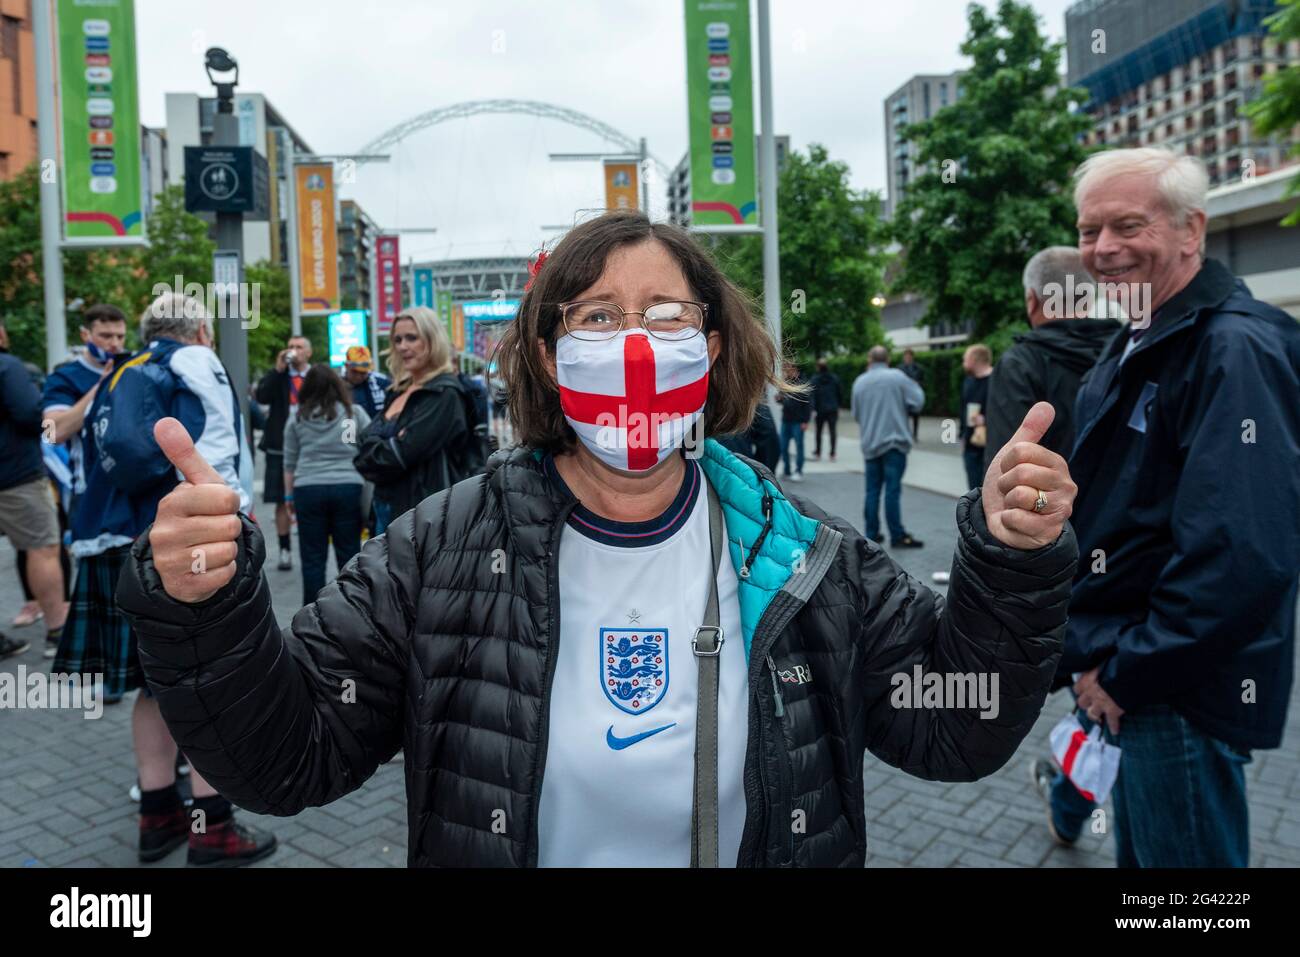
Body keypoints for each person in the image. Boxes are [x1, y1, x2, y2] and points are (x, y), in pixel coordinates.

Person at [117, 210, 1079, 868]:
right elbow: (293, 755)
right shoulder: (441, 548)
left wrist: (1012, 558)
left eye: (665, 317)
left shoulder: (803, 548)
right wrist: (207, 608)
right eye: (596, 318)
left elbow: (956, 727)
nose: (632, 343)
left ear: (710, 346)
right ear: (545, 350)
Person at [1031, 147, 1300, 867]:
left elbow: (1243, 550)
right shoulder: (1141, 339)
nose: (1105, 248)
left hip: (1173, 690)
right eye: (1090, 231)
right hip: (1139, 676)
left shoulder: (1232, 347)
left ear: (1191, 230)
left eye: (1128, 225)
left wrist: (1126, 671)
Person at [56, 292, 274, 866]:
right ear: (200, 328)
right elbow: (218, 454)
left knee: (152, 690)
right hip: (178, 548)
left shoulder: (119, 369)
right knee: (205, 686)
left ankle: (157, 819)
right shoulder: (194, 360)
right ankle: (212, 830)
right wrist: (237, 520)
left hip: (109, 547)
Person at [982, 247, 1119, 471]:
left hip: (1051, 504)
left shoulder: (1020, 364)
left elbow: (1005, 468)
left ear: (1031, 300)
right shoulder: (1127, 352)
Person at [353, 307, 471, 529]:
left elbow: (404, 453)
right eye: (397, 339)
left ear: (432, 339)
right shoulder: (396, 391)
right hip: (384, 507)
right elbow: (362, 446)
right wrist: (385, 445)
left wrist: (376, 446)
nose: (402, 346)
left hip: (421, 515)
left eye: (411, 338)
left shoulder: (444, 393)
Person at [0, 320, 68, 660]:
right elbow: (30, 414)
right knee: (42, 548)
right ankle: (58, 628)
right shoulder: (7, 366)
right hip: (16, 476)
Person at [284, 364, 371, 606]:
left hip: (307, 489)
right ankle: (351, 608)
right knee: (349, 554)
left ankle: (312, 616)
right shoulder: (354, 414)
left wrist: (289, 498)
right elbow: (369, 449)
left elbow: (289, 461)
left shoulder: (297, 417)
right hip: (348, 488)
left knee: (312, 559)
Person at [850, 346, 926, 548]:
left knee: (872, 491)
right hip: (894, 444)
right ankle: (897, 535)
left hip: (870, 445)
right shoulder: (898, 377)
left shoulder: (860, 381)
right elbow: (918, 402)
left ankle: (871, 534)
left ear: (869, 359)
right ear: (888, 359)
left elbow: (856, 414)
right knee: (892, 491)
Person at [255, 334, 312, 570]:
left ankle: (309, 549)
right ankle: (285, 550)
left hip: (309, 446)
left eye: (299, 347)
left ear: (309, 352)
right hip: (279, 446)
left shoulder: (316, 377)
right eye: (290, 346)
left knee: (308, 499)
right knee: (280, 500)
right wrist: (277, 370)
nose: (293, 350)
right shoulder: (279, 377)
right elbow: (261, 396)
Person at [959, 344, 993, 491]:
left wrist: (986, 420)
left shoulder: (997, 380)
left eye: (965, 359)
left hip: (991, 446)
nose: (963, 363)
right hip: (971, 444)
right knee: (974, 491)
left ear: (974, 359)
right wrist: (962, 435)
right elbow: (962, 409)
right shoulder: (968, 381)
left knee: (990, 490)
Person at [714, 399, 780, 473]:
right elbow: (769, 435)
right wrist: (761, 474)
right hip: (739, 468)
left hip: (706, 472)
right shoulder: (746, 392)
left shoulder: (701, 392)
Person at [773, 362, 810, 481]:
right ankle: (787, 470)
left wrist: (805, 420)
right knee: (783, 446)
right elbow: (782, 399)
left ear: (794, 369)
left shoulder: (802, 383)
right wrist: (779, 399)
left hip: (798, 420)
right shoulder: (785, 383)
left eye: (787, 369)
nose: (786, 372)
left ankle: (798, 470)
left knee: (799, 446)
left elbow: (808, 403)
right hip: (786, 419)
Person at [342, 344, 390, 419]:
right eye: (354, 371)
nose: (358, 376)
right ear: (346, 366)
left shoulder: (382, 383)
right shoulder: (336, 386)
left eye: (363, 372)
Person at [807, 358, 842, 462]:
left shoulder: (814, 379)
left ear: (818, 367)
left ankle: (818, 452)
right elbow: (840, 393)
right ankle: (832, 453)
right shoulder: (834, 378)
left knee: (818, 431)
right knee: (832, 431)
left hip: (820, 409)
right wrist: (839, 405)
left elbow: (812, 395)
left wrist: (812, 409)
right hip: (832, 408)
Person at [899, 349, 925, 441]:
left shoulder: (919, 368)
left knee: (916, 415)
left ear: (912, 357)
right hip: (903, 395)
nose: (907, 358)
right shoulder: (899, 369)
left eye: (909, 356)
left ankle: (915, 434)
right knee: (903, 415)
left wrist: (918, 384)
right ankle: (905, 433)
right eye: (906, 356)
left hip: (914, 394)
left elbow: (922, 381)